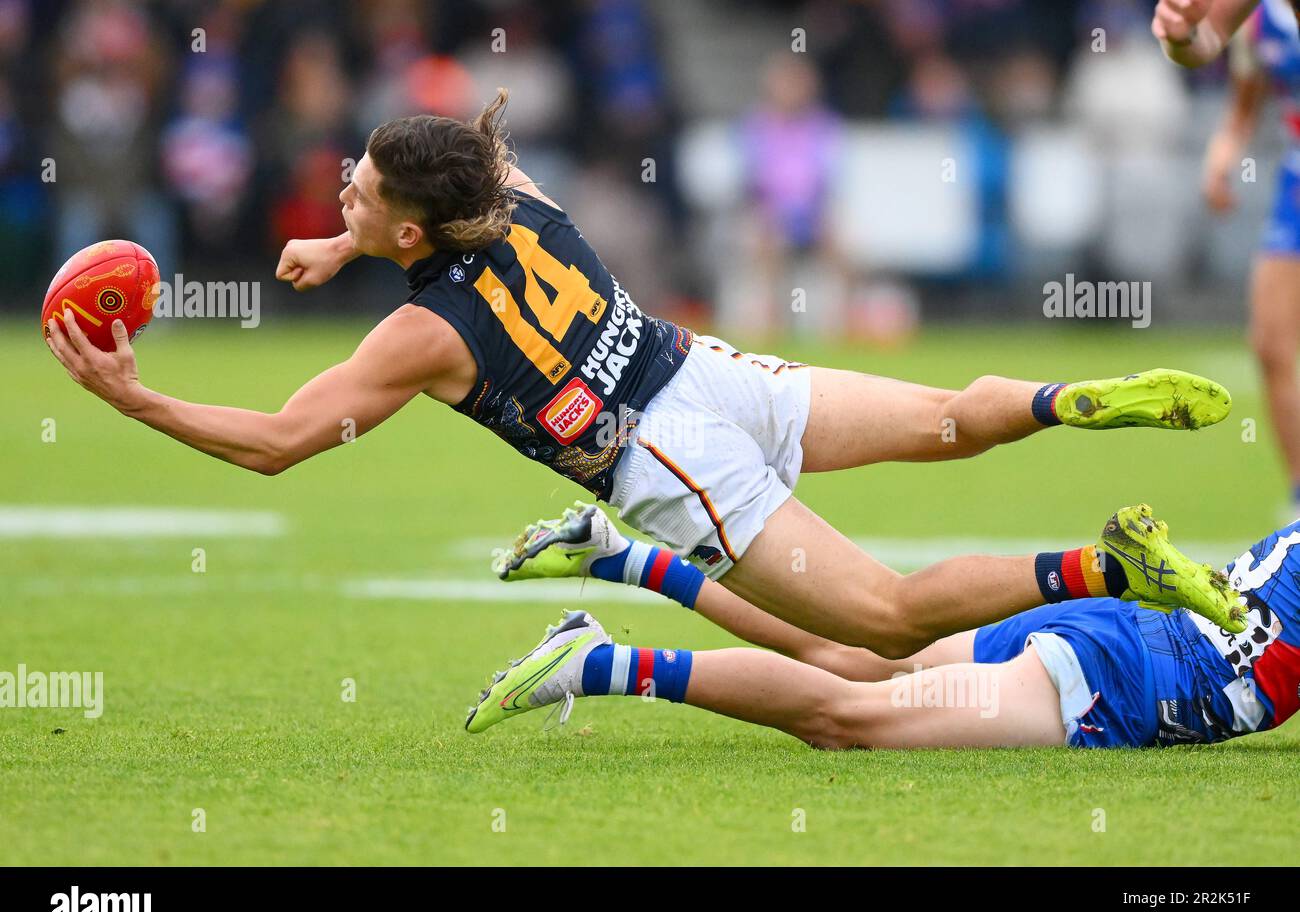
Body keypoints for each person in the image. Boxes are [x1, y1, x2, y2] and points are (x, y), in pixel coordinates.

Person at [44, 90, 1246, 677]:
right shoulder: (514, 195)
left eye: (358, 191)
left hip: (665, 456)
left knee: (878, 626)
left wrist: (130, 397)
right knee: (945, 420)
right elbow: (416, 218)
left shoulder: (424, 335)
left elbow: (276, 442)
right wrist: (349, 238)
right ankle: (1057, 398)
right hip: (710, 369)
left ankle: (1100, 566)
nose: (344, 195)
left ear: (419, 236)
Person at [466, 519, 1300, 750]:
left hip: (1119, 628)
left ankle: (622, 559)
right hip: (1122, 676)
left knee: (849, 657)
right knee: (845, 720)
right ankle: (598, 663)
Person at [1203, 0, 1300, 515]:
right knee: (1269, 342)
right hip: (1296, 189)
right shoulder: (1258, 20)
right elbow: (1243, 109)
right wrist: (1222, 154)